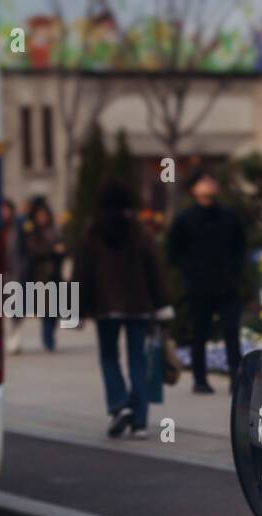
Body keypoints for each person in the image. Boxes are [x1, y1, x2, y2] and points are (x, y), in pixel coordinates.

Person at [75, 181, 168, 440]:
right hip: (138, 306)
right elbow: (155, 269)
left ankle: (119, 405)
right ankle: (140, 422)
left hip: (105, 308)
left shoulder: (92, 233)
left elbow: (81, 274)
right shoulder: (139, 231)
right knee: (137, 360)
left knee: (108, 357)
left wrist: (75, 309)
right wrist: (162, 303)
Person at [166, 168, 246, 394]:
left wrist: (235, 270)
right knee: (199, 332)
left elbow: (240, 246)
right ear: (193, 189)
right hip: (199, 286)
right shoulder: (185, 219)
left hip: (227, 284)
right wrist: (190, 270)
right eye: (203, 181)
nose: (209, 184)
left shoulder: (228, 216)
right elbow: (173, 251)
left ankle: (236, 378)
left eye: (211, 180)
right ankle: (200, 379)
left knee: (232, 332)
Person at [21, 196, 66, 353]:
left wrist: (61, 251)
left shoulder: (54, 230)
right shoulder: (31, 231)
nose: (42, 218)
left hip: (55, 276)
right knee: (47, 310)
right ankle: (48, 339)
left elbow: (64, 248)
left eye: (44, 215)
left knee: (56, 311)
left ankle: (50, 335)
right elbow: (32, 252)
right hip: (40, 276)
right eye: (39, 215)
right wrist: (53, 250)